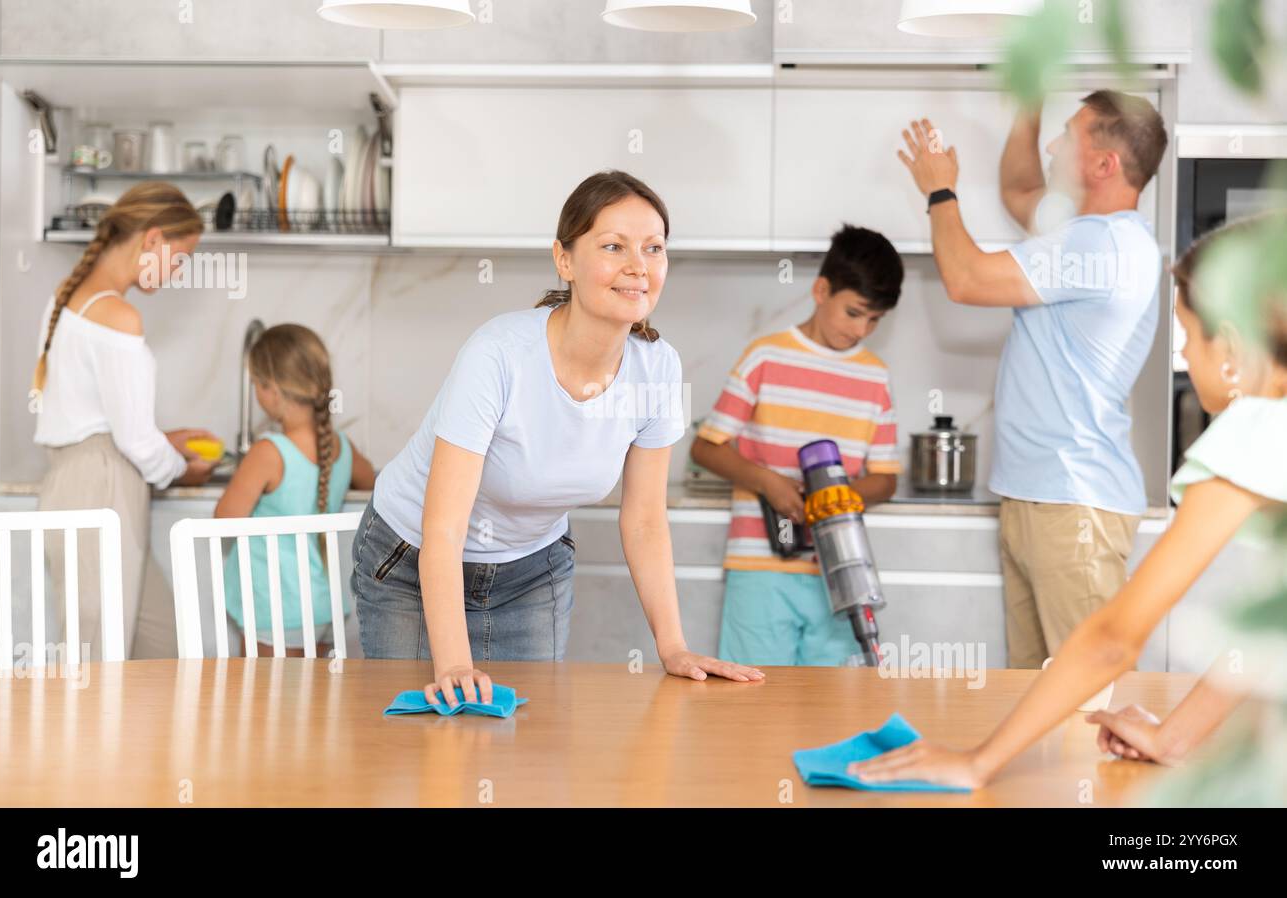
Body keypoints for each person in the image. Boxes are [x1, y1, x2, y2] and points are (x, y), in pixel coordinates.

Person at [847, 217, 1287, 792]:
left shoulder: (1259, 430)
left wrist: (976, 762)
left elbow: (1113, 639)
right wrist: (1174, 738)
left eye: (1185, 335)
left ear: (1229, 344)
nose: (1182, 352)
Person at [352, 170, 765, 707]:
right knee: (412, 744)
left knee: (528, 752)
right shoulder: (498, 354)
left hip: (530, 570)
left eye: (654, 248)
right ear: (564, 259)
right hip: (410, 555)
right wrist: (453, 663)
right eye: (614, 246)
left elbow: (644, 519)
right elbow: (444, 527)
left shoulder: (659, 368)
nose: (638, 266)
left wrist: (673, 647)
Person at [896, 90, 1169, 667]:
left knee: (1088, 697)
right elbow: (1019, 191)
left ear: (1103, 165)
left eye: (1067, 137)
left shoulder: (1099, 244)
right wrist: (1027, 102)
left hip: (1073, 505)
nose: (1051, 145)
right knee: (1037, 694)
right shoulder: (1092, 235)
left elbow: (967, 279)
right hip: (1042, 498)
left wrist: (939, 190)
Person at [689, 225, 903, 666]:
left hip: (840, 573)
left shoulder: (874, 377)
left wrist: (840, 496)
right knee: (752, 705)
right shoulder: (765, 357)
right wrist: (769, 482)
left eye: (875, 320)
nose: (861, 329)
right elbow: (706, 448)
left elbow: (884, 481)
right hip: (760, 570)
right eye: (854, 312)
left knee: (835, 707)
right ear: (821, 290)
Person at [32, 182, 218, 661]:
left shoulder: (68, 299)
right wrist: (180, 466)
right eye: (180, 257)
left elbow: (99, 419)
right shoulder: (119, 316)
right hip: (100, 486)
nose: (178, 272)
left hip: (84, 480)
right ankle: (81, 741)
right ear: (153, 240)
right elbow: (133, 440)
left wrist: (166, 440)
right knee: (96, 660)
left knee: (164, 647)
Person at [214, 324, 376, 656]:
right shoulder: (341, 447)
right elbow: (372, 482)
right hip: (321, 605)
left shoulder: (269, 452)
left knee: (258, 704)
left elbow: (223, 520)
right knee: (308, 705)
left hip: (273, 608)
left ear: (273, 390)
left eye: (257, 383)